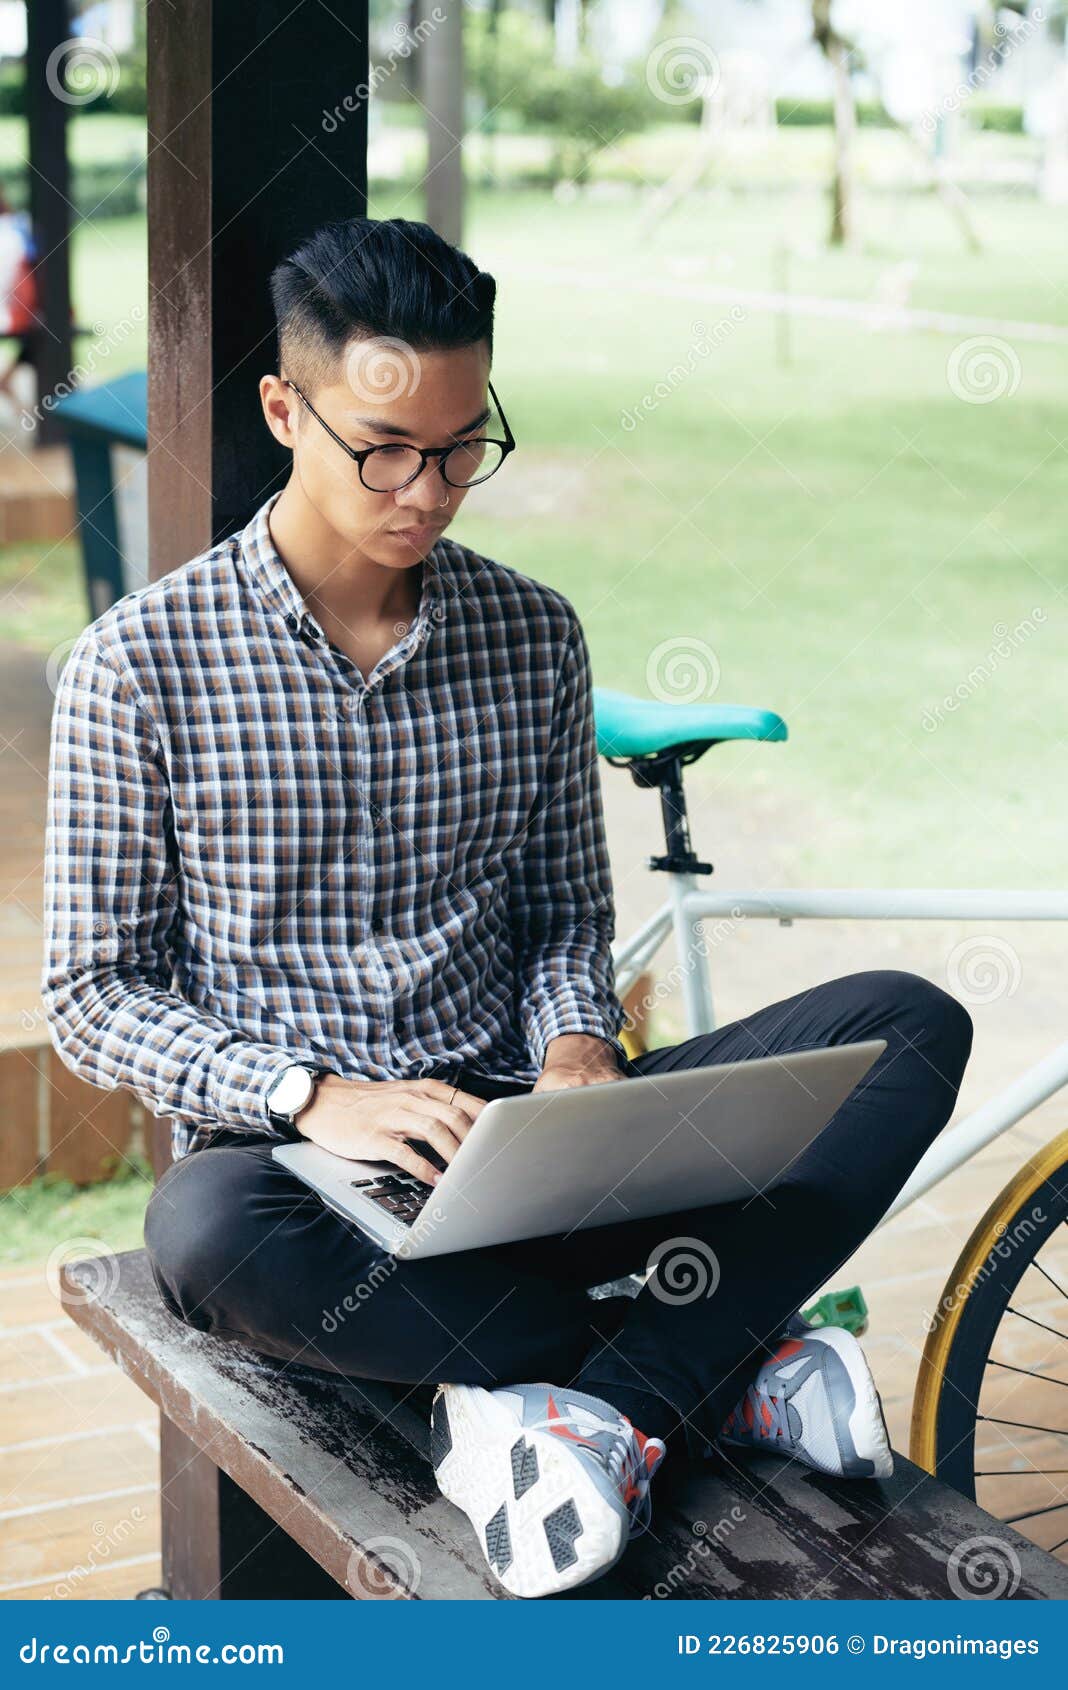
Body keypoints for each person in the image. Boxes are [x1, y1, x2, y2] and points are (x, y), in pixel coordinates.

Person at [41, 216, 973, 1599]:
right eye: (384, 447)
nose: (427, 489)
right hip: (306, 1188)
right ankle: (710, 1362)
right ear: (285, 410)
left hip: (541, 1152)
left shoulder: (533, 633)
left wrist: (580, 1049)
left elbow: (559, 917)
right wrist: (311, 1092)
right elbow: (91, 993)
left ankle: (588, 1399)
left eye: (463, 442)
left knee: (906, 1024)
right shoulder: (138, 666)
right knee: (199, 1235)